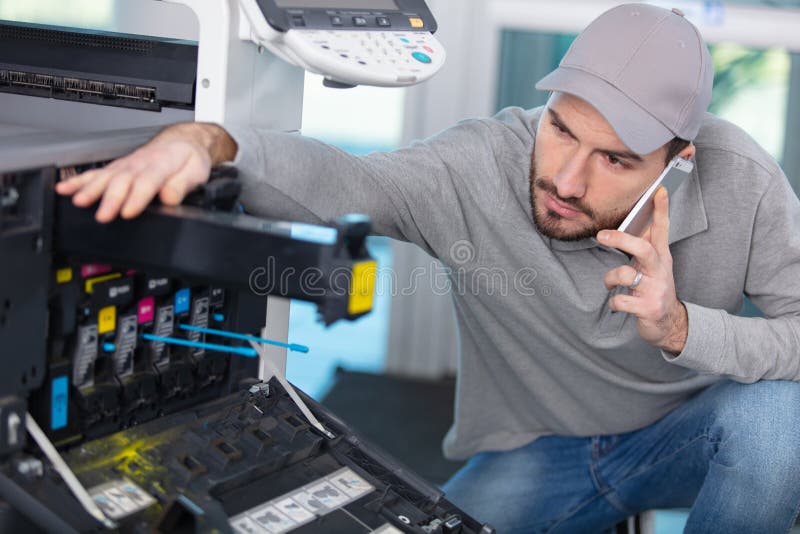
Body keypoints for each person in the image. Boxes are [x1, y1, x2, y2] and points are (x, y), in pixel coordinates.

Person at [56, 4, 800, 532]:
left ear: (679, 161)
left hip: (683, 437)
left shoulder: (742, 179)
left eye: (615, 160)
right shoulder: (478, 165)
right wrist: (208, 140)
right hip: (537, 451)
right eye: (562, 130)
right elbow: (348, 181)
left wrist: (679, 328)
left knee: (778, 426)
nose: (568, 180)